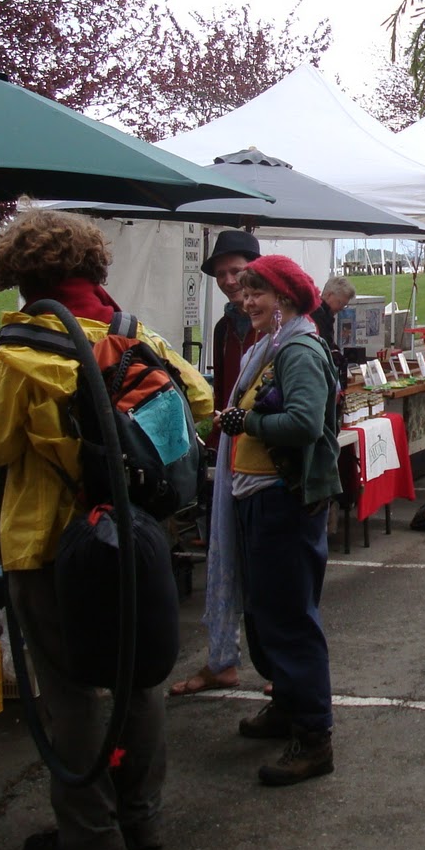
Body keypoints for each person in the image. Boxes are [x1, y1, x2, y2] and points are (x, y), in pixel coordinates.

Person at [0, 210, 212, 850]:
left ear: (18, 274)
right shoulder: (137, 338)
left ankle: (90, 836)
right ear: (93, 267)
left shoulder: (15, 352)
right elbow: (206, 404)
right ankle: (142, 817)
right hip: (132, 539)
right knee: (138, 680)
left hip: (47, 544)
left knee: (71, 692)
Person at [214, 254, 343, 786]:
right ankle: (288, 705)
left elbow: (305, 423)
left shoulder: (297, 349)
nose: (247, 301)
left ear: (285, 300)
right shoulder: (270, 345)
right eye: (245, 292)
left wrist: (246, 420)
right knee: (267, 611)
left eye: (257, 292)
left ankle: (314, 737)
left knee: (289, 618)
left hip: (283, 501)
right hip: (260, 496)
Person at [171, 229, 260, 698]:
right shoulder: (227, 326)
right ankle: (222, 657)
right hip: (232, 450)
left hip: (266, 455)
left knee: (266, 563)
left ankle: (281, 668)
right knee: (224, 554)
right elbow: (225, 388)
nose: (228, 280)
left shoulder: (280, 320)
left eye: (236, 270)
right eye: (221, 273)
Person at [311, 274, 356, 346]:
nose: (341, 308)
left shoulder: (326, 314)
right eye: (340, 303)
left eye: (344, 305)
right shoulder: (318, 315)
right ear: (329, 295)